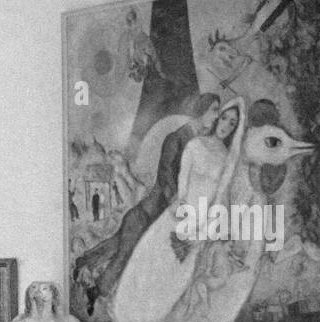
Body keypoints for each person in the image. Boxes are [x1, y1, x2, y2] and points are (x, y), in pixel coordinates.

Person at [112, 96, 246, 322]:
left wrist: (204, 228)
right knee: (152, 266)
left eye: (233, 123)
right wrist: (183, 216)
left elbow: (220, 194)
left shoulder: (227, 158)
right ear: (216, 118)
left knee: (177, 278)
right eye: (225, 117)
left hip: (202, 222)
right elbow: (183, 186)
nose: (226, 124)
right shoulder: (195, 145)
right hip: (180, 215)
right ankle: (130, 319)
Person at [74, 93, 222, 303]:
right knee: (123, 256)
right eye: (214, 110)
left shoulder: (201, 142)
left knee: (116, 247)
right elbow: (166, 175)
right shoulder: (177, 138)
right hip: (148, 214)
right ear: (202, 110)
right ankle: (98, 293)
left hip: (158, 216)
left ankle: (86, 266)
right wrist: (179, 205)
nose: (217, 117)